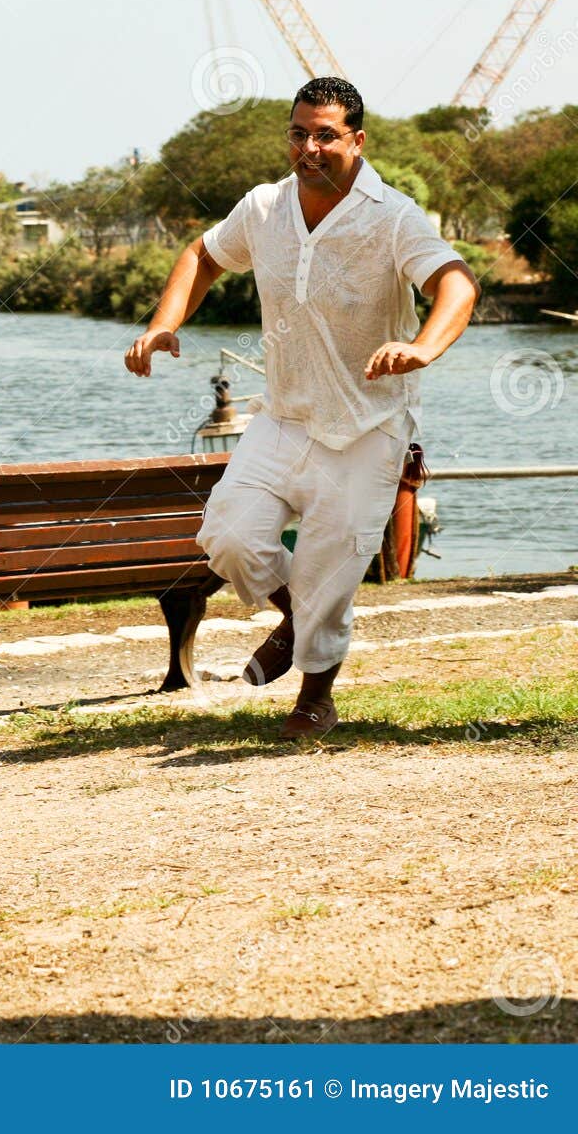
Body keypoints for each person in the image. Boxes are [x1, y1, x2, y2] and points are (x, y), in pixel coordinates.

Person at [125, 77, 478, 738]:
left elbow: (456, 282)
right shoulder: (263, 208)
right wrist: (165, 322)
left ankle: (315, 698)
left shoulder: (393, 216)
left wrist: (424, 346)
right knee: (229, 536)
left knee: (331, 563)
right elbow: (202, 254)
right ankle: (299, 619)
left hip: (370, 426)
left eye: (325, 135)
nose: (309, 147)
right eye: (298, 133)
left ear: (357, 140)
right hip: (284, 416)